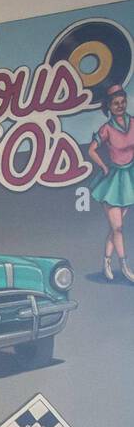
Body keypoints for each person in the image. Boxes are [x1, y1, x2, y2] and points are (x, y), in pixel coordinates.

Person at [88, 84, 134, 283]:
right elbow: (91, 150)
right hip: (113, 181)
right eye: (116, 103)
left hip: (129, 179)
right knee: (118, 228)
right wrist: (104, 168)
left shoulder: (133, 122)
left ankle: (107, 260)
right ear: (108, 106)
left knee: (116, 228)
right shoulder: (106, 128)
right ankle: (124, 266)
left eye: (123, 102)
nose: (120, 106)